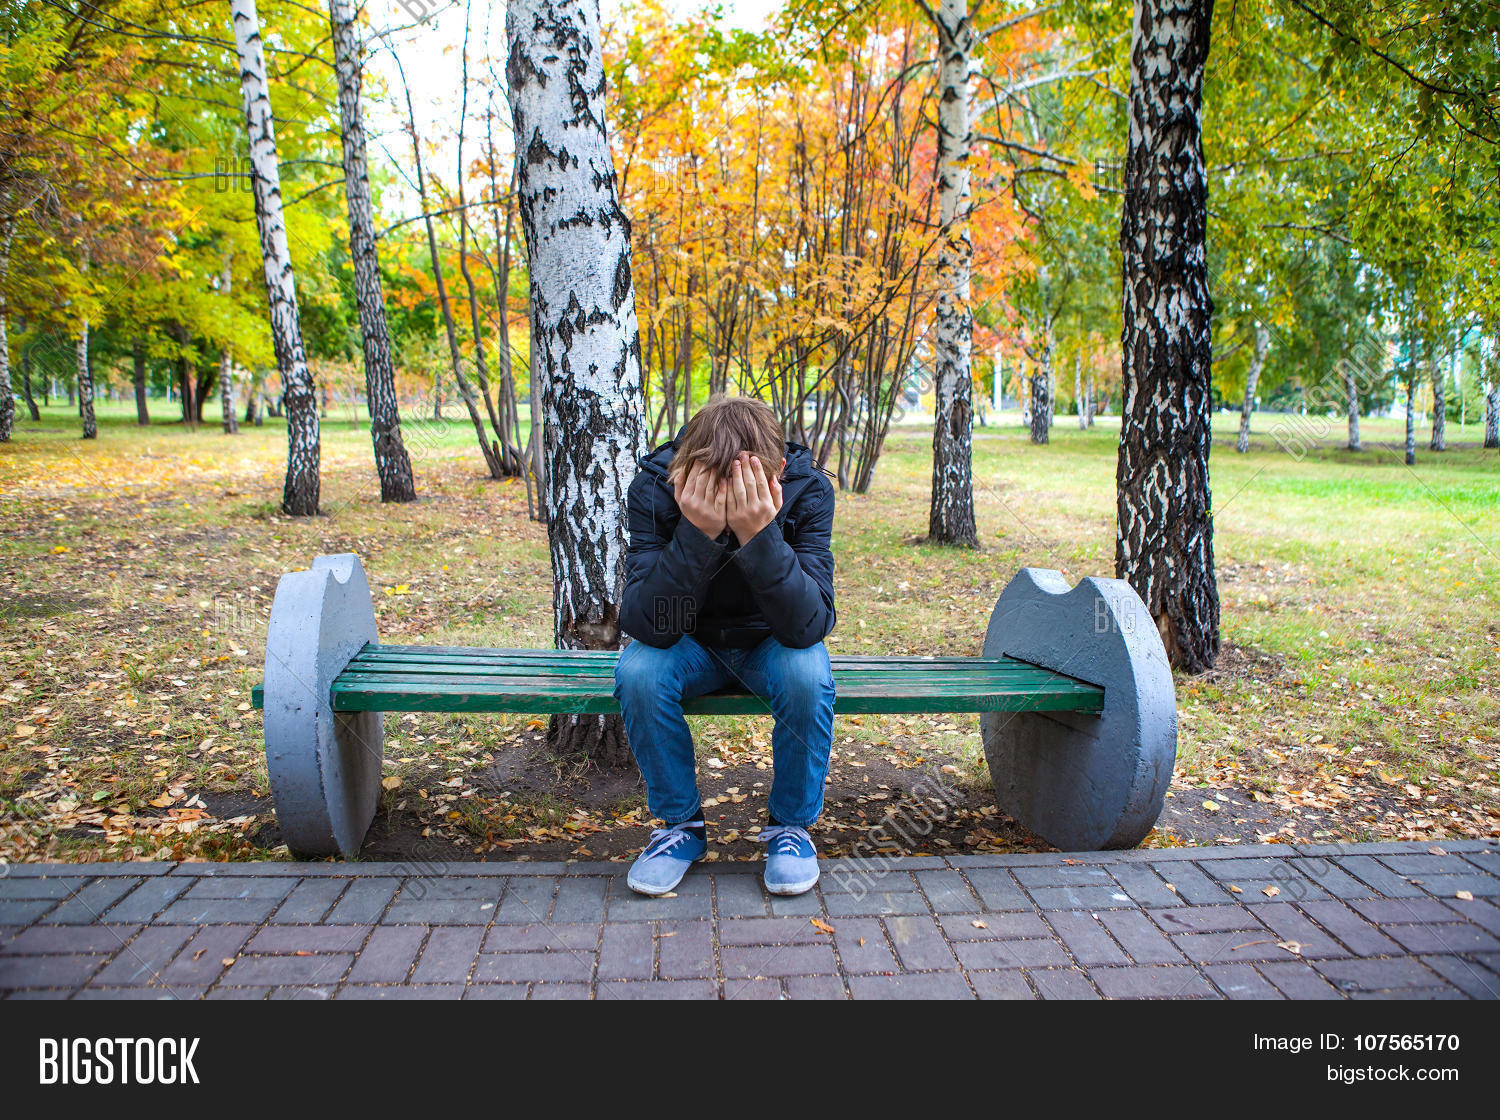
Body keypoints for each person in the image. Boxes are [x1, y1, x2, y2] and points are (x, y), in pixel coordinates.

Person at [614, 395, 836, 897]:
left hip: (771, 641)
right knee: (639, 673)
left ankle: (790, 827)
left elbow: (805, 628)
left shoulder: (808, 490)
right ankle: (679, 827)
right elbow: (652, 626)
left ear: (776, 470)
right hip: (688, 642)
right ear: (684, 469)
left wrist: (759, 535)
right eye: (708, 480)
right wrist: (698, 533)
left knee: (807, 676)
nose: (725, 493)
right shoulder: (655, 488)